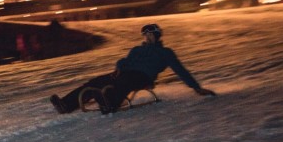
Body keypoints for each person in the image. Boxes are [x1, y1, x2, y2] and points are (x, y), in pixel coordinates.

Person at [49, 23, 216, 115]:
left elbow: (180, 70)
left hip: (144, 76)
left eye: (150, 35)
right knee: (96, 81)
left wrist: (196, 88)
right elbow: (125, 61)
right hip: (127, 71)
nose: (147, 37)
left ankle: (110, 104)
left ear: (157, 36)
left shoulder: (165, 53)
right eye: (145, 35)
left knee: (124, 82)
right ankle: (66, 104)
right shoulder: (137, 50)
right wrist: (119, 67)